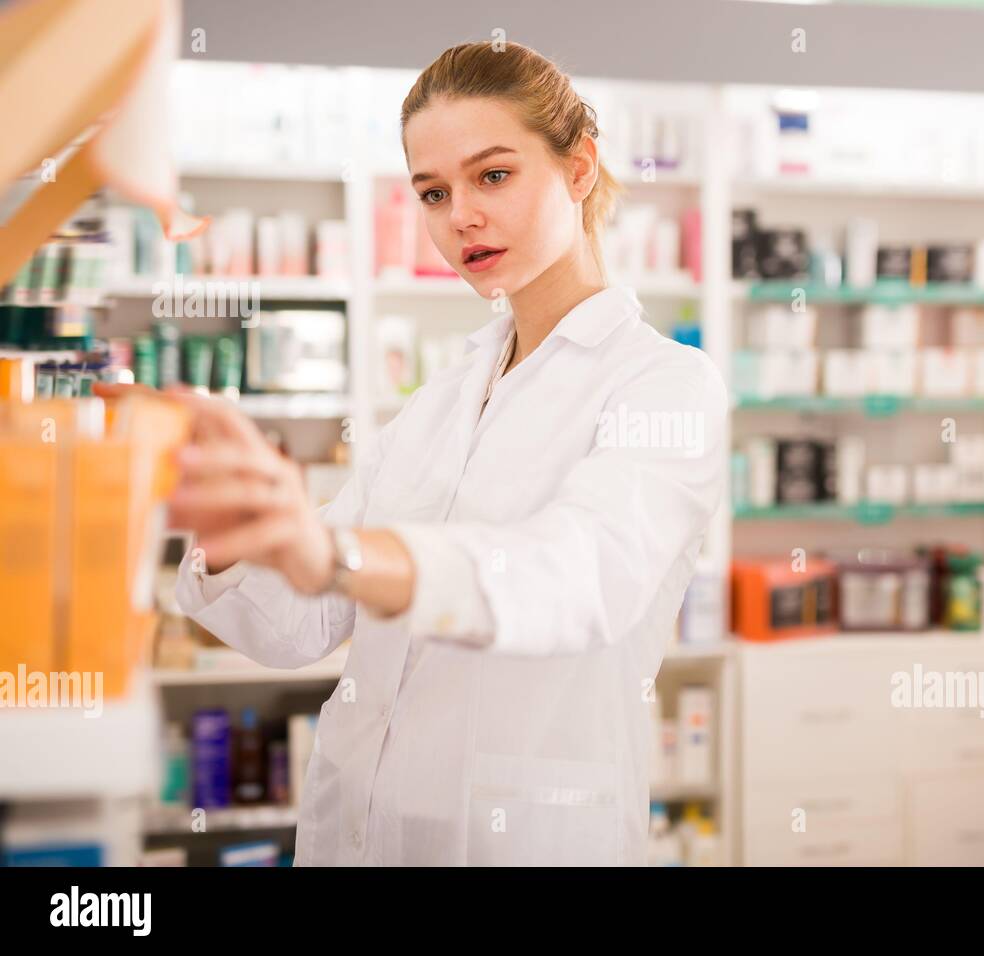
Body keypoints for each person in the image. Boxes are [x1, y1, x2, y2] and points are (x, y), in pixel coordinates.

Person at [168, 40, 727, 865]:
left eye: (492, 175)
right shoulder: (444, 396)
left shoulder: (666, 385)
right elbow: (305, 623)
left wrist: (338, 552)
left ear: (579, 169)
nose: (458, 214)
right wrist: (227, 522)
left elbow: (577, 573)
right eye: (433, 192)